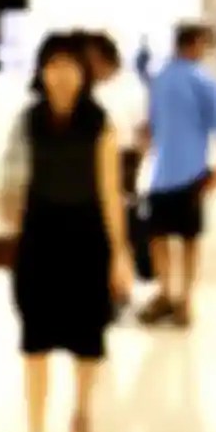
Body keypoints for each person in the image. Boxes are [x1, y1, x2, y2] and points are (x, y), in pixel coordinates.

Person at [0, 32, 132, 432]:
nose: (61, 75)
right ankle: (35, 429)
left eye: (70, 65)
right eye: (53, 65)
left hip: (86, 239)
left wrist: (119, 253)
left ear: (84, 73)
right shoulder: (29, 121)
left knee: (87, 335)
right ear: (41, 71)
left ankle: (81, 410)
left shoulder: (99, 124)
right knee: (34, 339)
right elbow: (10, 182)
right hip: (40, 238)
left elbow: (110, 193)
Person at [138, 24, 216, 329]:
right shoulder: (205, 83)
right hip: (193, 173)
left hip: (161, 174)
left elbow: (148, 129)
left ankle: (167, 291)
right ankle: (185, 299)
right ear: (196, 44)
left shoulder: (160, 79)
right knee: (190, 240)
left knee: (158, 237)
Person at [85, 32, 152, 280]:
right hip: (93, 162)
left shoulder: (131, 86)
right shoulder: (89, 88)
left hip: (125, 160)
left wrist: (138, 165)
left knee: (123, 221)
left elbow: (144, 129)